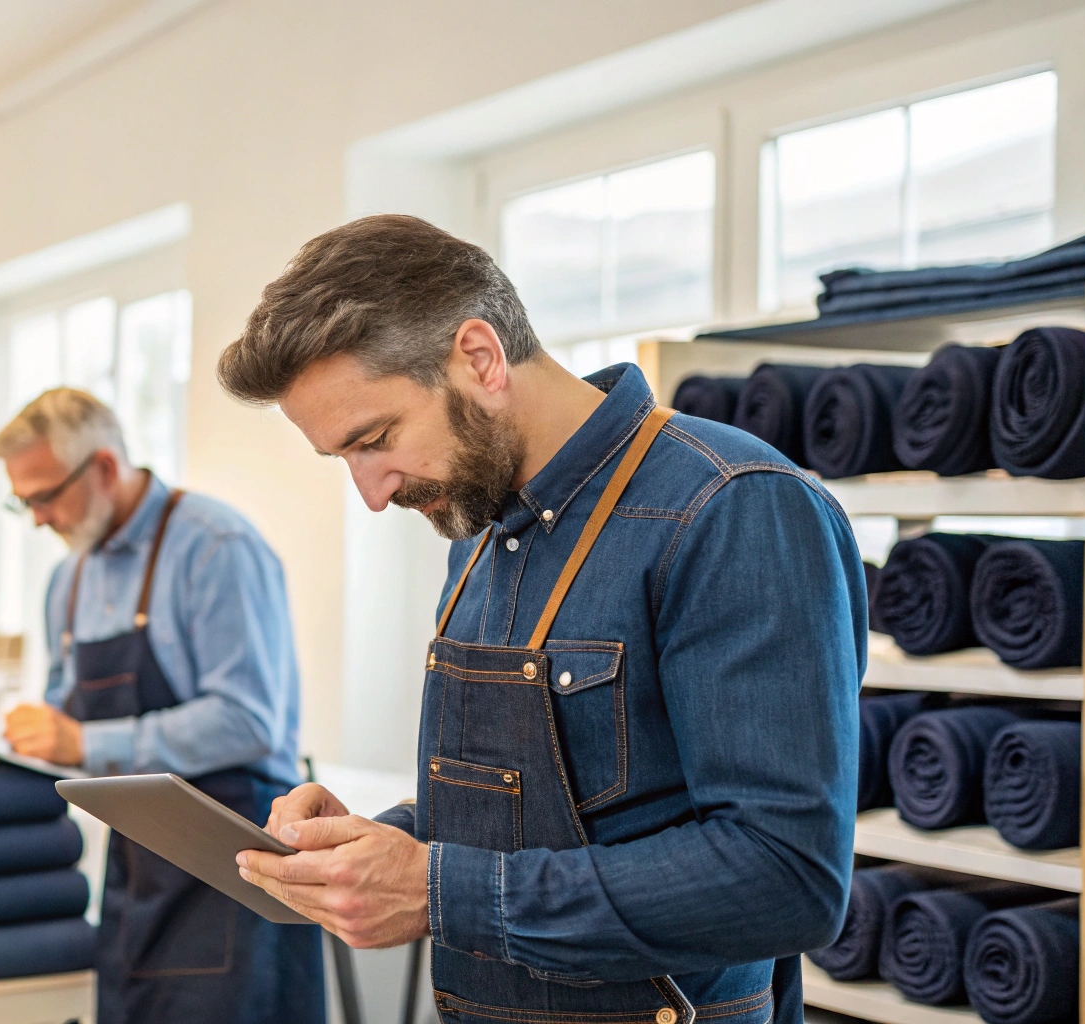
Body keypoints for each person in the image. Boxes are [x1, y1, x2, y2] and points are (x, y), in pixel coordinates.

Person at [217, 215, 864, 1024]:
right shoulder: (481, 533)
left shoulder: (732, 507)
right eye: (346, 459)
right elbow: (557, 808)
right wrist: (375, 851)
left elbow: (786, 879)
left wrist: (434, 889)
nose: (373, 492)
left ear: (480, 358)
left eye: (375, 440)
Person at [0, 388, 323, 1024]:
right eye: (23, 502)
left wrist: (87, 746)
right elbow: (61, 728)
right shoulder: (69, 579)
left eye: (44, 496)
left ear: (105, 469)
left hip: (238, 874)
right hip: (137, 874)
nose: (36, 518)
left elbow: (249, 721)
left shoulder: (215, 546)